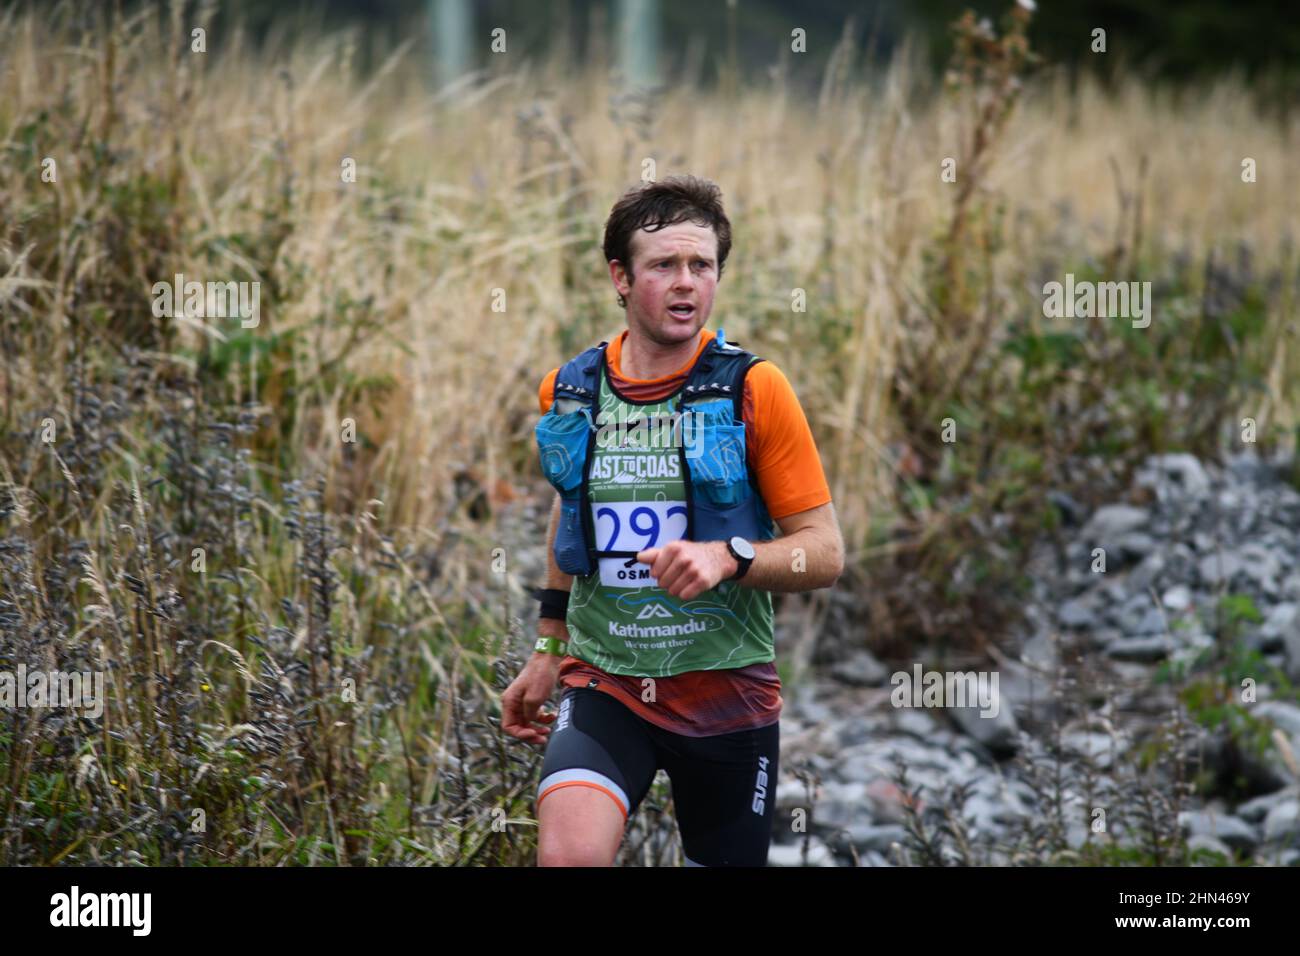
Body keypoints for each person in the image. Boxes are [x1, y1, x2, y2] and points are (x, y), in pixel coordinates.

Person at [501, 174, 844, 866]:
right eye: (664, 266)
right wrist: (546, 646)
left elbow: (826, 553)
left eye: (702, 265)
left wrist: (728, 557)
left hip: (726, 695)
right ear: (620, 277)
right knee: (567, 857)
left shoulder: (756, 389)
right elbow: (571, 514)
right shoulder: (570, 392)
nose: (687, 283)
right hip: (605, 682)